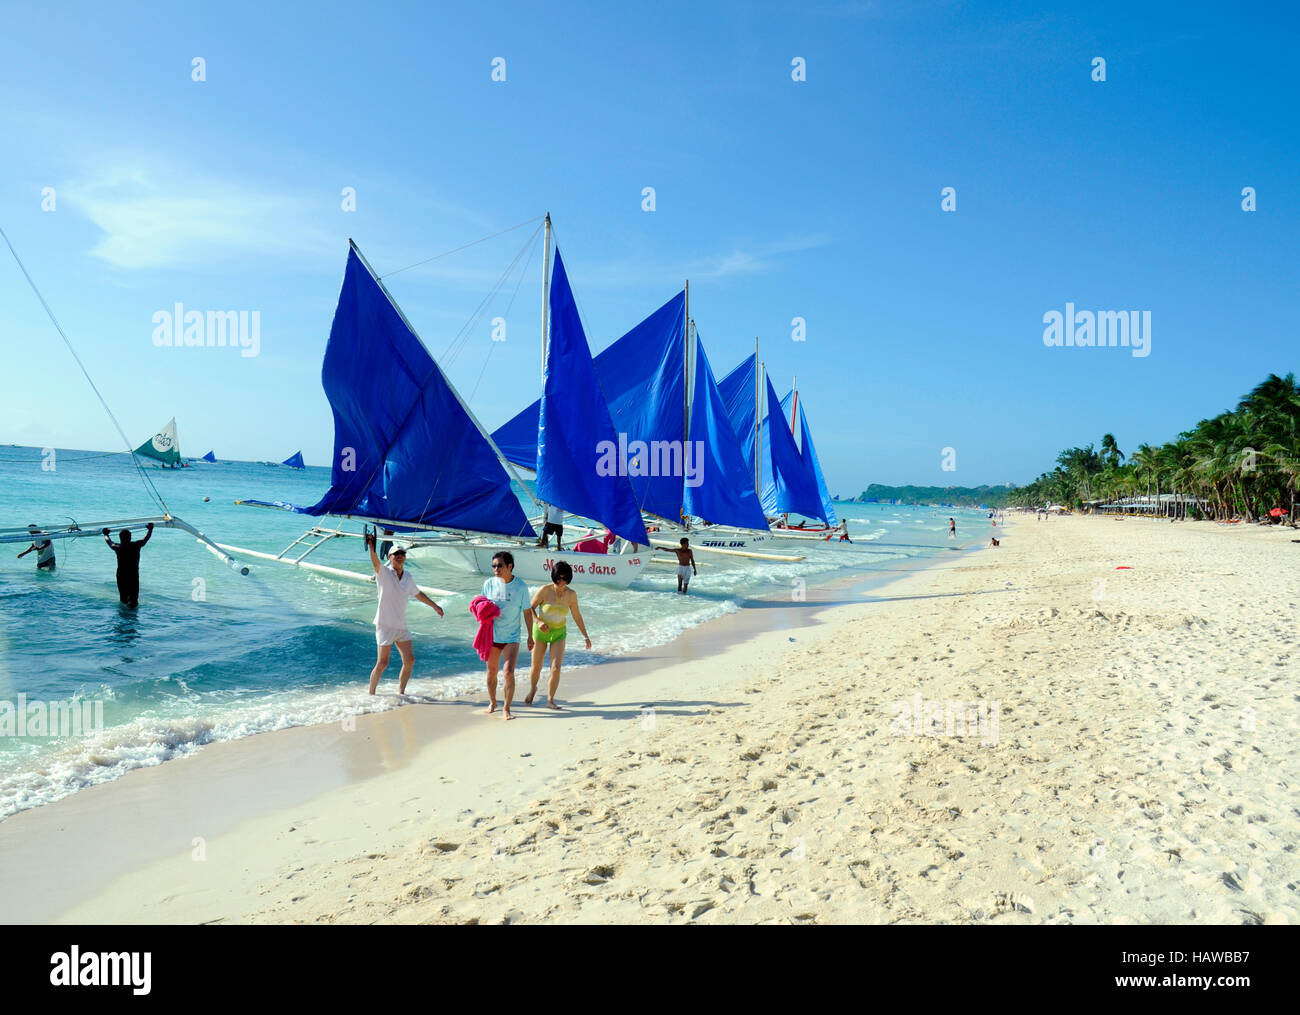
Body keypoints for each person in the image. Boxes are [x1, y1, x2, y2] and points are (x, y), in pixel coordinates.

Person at [365, 535, 443, 695]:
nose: (400, 556)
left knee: (410, 660)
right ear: (389, 557)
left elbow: (418, 594)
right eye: (396, 554)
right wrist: (372, 547)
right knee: (382, 663)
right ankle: (371, 695)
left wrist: (435, 606)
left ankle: (401, 693)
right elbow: (374, 562)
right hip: (385, 625)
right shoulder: (383, 573)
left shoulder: (408, 577)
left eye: (402, 554)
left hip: (401, 626)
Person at [525, 561, 591, 710]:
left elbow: (577, 616)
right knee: (536, 667)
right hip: (540, 633)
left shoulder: (571, 595)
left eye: (565, 579)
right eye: (558, 578)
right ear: (554, 577)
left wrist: (586, 636)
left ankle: (550, 699)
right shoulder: (545, 590)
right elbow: (529, 608)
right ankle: (532, 689)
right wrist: (537, 622)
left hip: (559, 634)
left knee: (556, 668)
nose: (561, 582)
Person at [482, 551, 534, 720]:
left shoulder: (521, 586)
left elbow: (527, 612)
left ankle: (506, 708)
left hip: (512, 635)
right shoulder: (488, 584)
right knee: (491, 672)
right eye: (494, 566)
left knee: (508, 672)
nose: (496, 569)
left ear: (510, 566)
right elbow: (480, 607)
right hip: (492, 634)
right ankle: (492, 702)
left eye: (500, 565)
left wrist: (530, 636)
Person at [102, 523, 153, 607]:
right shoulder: (136, 545)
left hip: (121, 575)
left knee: (123, 598)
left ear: (120, 538)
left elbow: (109, 541)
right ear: (130, 537)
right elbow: (146, 538)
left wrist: (105, 534)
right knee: (134, 600)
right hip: (133, 574)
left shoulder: (118, 547)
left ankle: (123, 616)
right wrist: (150, 529)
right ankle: (133, 617)